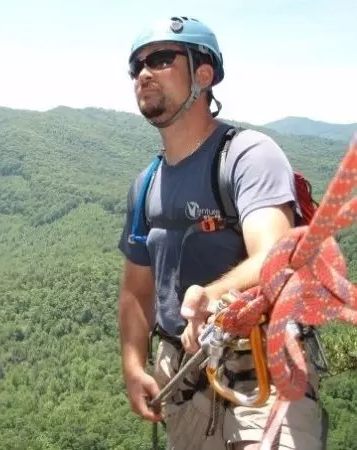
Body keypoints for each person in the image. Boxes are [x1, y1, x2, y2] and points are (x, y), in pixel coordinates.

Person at [117, 16, 325, 450]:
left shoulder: (247, 155)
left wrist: (210, 296)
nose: (143, 74)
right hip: (183, 374)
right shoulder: (146, 185)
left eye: (160, 59)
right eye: (136, 67)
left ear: (204, 73)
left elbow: (275, 253)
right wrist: (133, 364)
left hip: (263, 365)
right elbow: (137, 289)